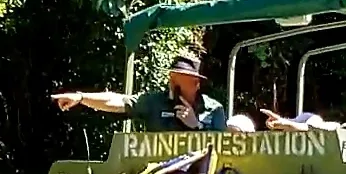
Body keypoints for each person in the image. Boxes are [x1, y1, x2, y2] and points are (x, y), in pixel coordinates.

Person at [51, 54, 226, 132]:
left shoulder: (214, 109)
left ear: (196, 84)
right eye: (171, 80)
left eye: (179, 82)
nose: (172, 85)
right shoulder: (154, 102)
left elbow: (225, 150)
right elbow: (119, 101)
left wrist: (196, 126)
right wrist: (81, 97)